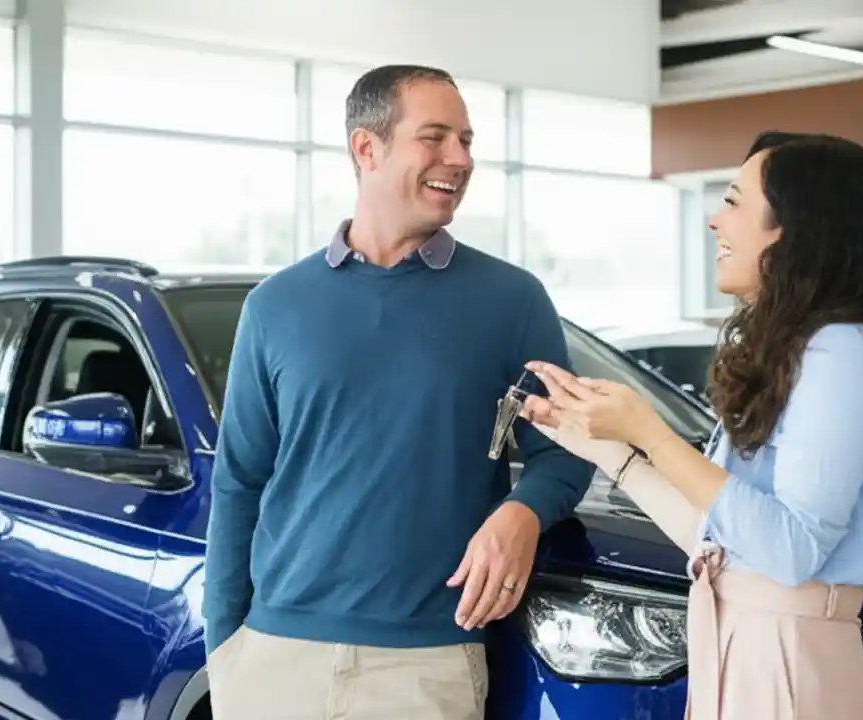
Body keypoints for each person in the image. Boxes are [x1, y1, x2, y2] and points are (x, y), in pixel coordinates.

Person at [202, 64, 593, 720]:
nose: (460, 159)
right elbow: (240, 483)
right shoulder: (275, 306)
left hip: (425, 664)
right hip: (274, 659)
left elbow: (567, 448)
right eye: (435, 137)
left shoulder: (511, 301)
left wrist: (523, 512)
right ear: (367, 147)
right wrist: (227, 652)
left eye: (466, 141)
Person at [520, 131, 863, 719]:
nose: (714, 222)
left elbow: (792, 549)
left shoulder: (841, 354)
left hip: (787, 667)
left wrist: (652, 433)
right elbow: (720, 541)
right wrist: (606, 447)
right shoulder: (804, 352)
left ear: (796, 229)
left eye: (732, 201)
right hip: (748, 652)